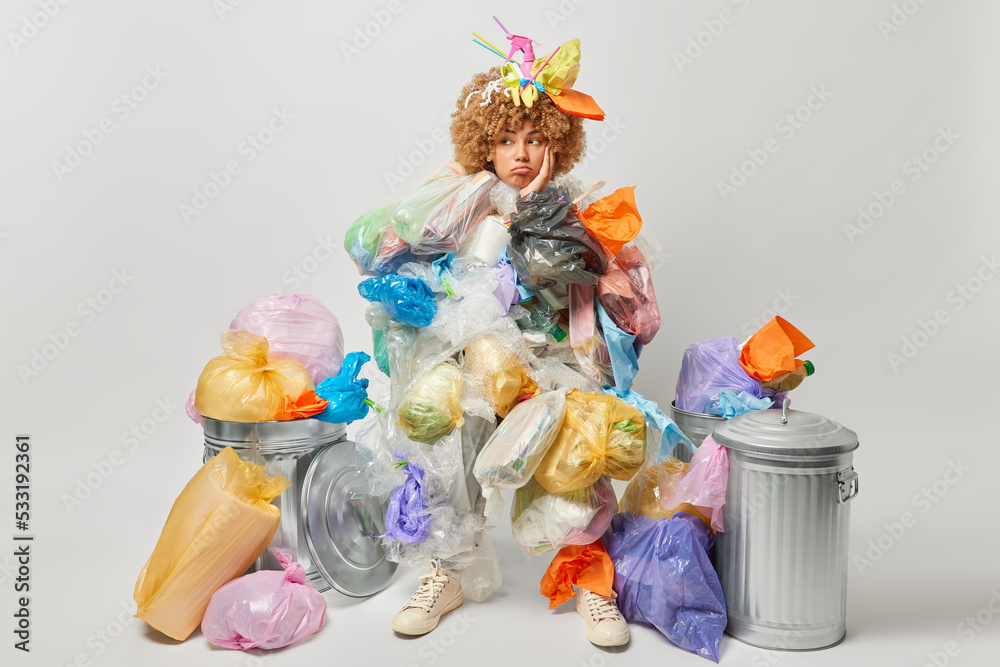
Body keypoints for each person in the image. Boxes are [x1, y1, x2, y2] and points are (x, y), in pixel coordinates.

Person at [380, 51, 632, 648]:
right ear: (484, 148)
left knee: (574, 427)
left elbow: (566, 282)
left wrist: (538, 211)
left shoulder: (573, 208)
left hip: (552, 360)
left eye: (536, 139)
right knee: (444, 418)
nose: (521, 154)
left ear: (558, 146)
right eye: (506, 140)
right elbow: (417, 259)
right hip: (475, 358)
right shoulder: (461, 204)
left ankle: (589, 579)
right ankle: (447, 571)